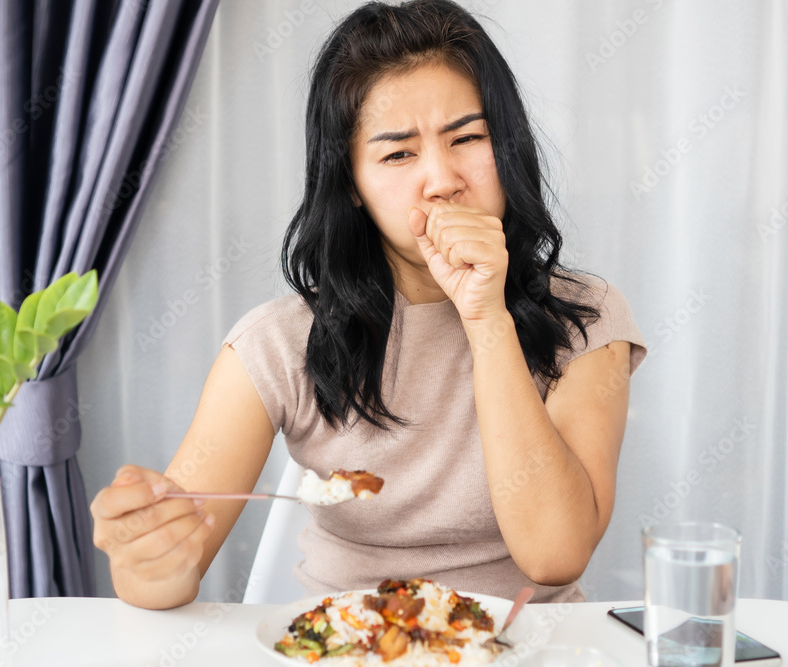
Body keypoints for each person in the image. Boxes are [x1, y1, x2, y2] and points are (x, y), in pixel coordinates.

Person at [90, 0, 647, 610]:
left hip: (533, 648)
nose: (442, 179)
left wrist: (486, 316)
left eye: (467, 137)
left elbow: (554, 556)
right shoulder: (276, 344)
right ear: (351, 186)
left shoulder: (586, 319)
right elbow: (174, 564)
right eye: (398, 154)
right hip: (348, 647)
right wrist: (145, 557)